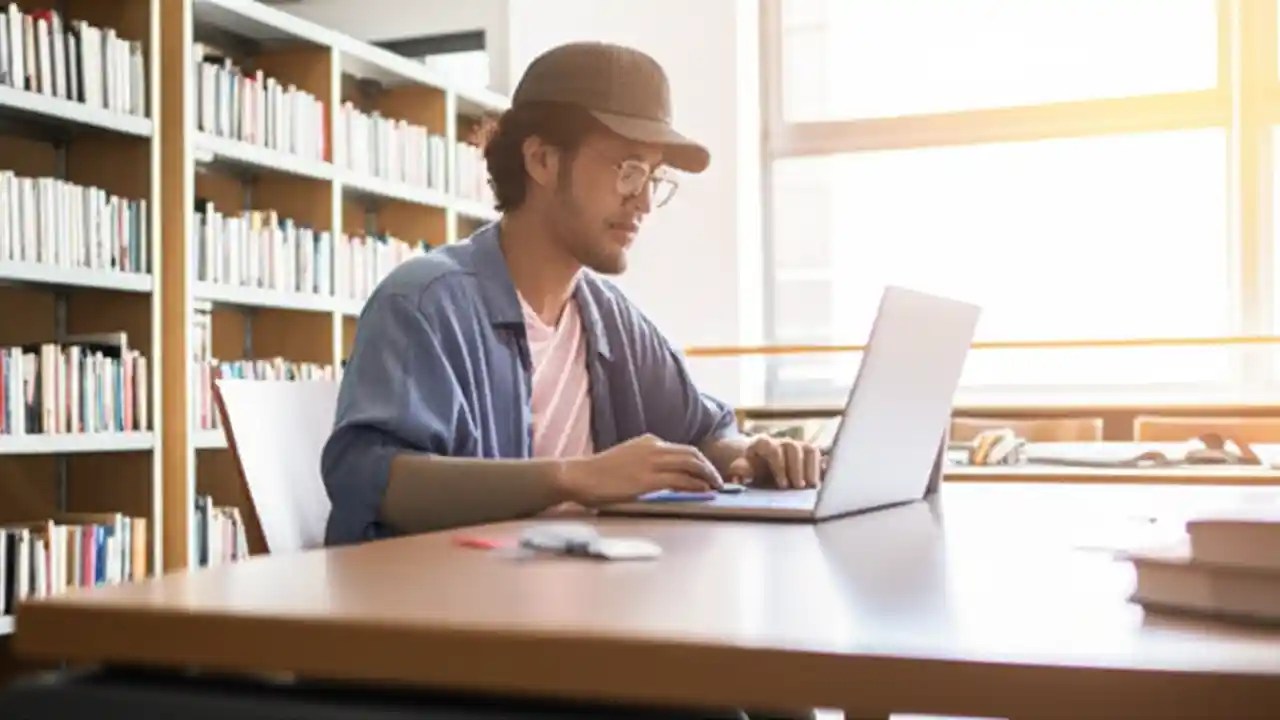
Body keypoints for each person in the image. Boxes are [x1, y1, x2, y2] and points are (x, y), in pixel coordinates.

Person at [320, 41, 825, 547]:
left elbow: (702, 430)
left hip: (573, 604)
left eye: (653, 176)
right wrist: (573, 477)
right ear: (541, 160)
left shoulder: (607, 317)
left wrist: (749, 453)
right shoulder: (425, 303)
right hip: (439, 608)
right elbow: (372, 479)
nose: (645, 201)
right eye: (628, 169)